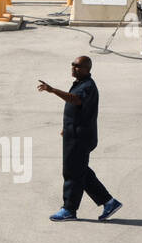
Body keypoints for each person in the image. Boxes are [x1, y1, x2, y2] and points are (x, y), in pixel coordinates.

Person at [37, 56, 122, 222]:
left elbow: (75, 100)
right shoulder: (80, 83)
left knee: (72, 172)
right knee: (80, 171)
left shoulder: (88, 86)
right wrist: (66, 127)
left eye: (77, 66)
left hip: (80, 136)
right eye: (72, 65)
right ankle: (109, 202)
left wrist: (52, 90)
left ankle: (69, 209)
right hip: (73, 133)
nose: (73, 68)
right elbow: (77, 109)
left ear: (87, 69)